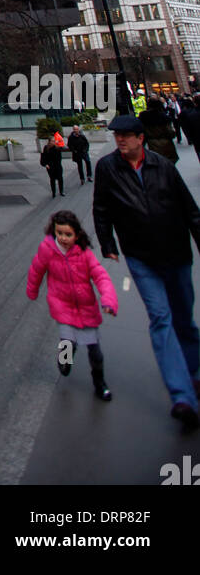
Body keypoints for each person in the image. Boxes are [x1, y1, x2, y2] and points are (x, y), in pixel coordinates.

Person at [93, 114, 200, 431]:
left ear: (141, 138)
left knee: (184, 320)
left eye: (126, 135)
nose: (120, 140)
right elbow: (101, 208)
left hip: (176, 252)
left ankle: (192, 374)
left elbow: (190, 210)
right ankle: (181, 396)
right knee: (161, 318)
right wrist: (107, 243)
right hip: (140, 256)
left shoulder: (162, 167)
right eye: (117, 136)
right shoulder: (108, 168)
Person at [27, 209, 118, 399]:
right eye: (59, 233)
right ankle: (64, 362)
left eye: (68, 234)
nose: (63, 238)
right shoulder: (48, 250)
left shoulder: (83, 253)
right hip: (63, 304)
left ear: (77, 235)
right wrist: (32, 290)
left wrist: (108, 299)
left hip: (86, 307)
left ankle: (99, 381)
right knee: (67, 341)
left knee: (95, 350)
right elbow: (37, 269)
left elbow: (100, 276)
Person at [139, 98, 178, 162]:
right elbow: (171, 132)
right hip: (166, 144)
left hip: (152, 144)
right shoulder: (164, 117)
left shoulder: (144, 117)